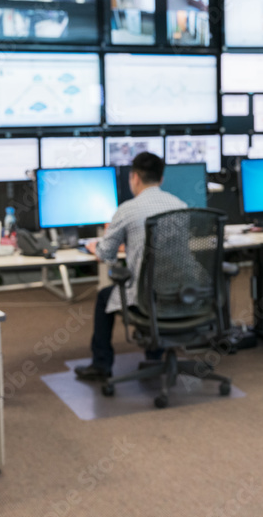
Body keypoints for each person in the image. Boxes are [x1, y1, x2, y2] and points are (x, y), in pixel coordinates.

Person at [75, 152, 186, 381]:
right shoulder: (181, 206)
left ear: (134, 177)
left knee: (105, 296)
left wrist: (95, 246)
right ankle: (154, 357)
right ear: (161, 179)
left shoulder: (128, 209)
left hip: (145, 299)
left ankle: (101, 364)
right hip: (180, 293)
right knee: (158, 282)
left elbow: (106, 254)